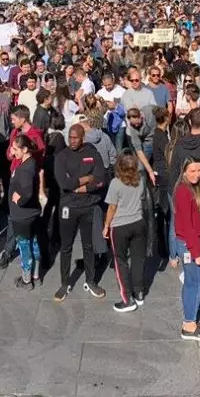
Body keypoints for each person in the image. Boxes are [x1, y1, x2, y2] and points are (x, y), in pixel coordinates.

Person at [52, 123, 108, 301]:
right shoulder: (62, 156)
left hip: (88, 206)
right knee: (66, 246)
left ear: (83, 137)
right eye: (70, 137)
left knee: (89, 246)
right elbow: (64, 184)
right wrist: (86, 178)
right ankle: (64, 283)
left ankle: (90, 281)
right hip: (68, 206)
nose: (72, 140)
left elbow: (101, 180)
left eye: (76, 137)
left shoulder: (93, 153)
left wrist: (81, 188)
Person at [103, 153, 149, 312]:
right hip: (138, 223)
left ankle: (127, 299)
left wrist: (106, 225)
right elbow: (142, 198)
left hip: (120, 226)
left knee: (120, 261)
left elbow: (112, 208)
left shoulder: (115, 184)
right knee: (138, 260)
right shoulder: (141, 181)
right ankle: (139, 293)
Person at [172, 159, 200, 341]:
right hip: (189, 245)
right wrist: (196, 253)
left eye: (199, 170)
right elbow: (186, 226)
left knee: (191, 282)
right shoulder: (183, 191)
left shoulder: (188, 189)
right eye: (192, 170)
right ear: (184, 171)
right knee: (197, 284)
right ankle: (189, 325)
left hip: (190, 242)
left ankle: (191, 318)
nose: (197, 174)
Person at [5, 134, 43, 289]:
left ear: (25, 149)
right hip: (32, 214)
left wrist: (18, 200)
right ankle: (36, 275)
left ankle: (26, 280)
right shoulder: (31, 163)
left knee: (24, 246)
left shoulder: (25, 169)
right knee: (34, 243)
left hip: (22, 215)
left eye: (15, 149)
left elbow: (27, 192)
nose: (13, 152)